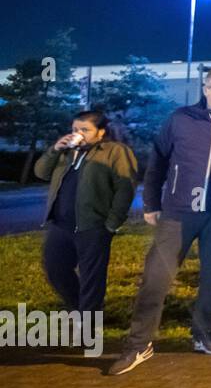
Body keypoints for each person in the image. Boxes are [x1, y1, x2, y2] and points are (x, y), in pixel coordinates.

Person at [111, 67, 211, 375]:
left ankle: (203, 334)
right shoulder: (181, 119)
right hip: (178, 213)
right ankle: (139, 344)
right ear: (205, 88)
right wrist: (151, 202)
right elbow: (158, 160)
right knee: (156, 278)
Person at [35, 110, 138, 313]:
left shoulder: (115, 151)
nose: (78, 133)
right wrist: (54, 149)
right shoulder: (67, 151)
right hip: (61, 225)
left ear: (100, 132)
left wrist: (112, 223)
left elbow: (125, 188)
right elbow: (40, 172)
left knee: (92, 278)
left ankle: (89, 323)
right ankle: (78, 308)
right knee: (55, 269)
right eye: (75, 129)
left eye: (85, 129)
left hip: (93, 226)